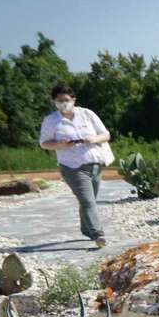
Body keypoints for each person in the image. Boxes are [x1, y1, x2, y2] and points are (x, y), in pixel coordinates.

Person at [39, 83, 111, 248]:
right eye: (59, 101)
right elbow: (44, 143)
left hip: (94, 164)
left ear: (73, 100)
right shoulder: (51, 120)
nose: (63, 103)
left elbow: (106, 134)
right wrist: (60, 144)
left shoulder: (87, 114)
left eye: (66, 99)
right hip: (72, 167)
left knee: (89, 199)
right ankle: (97, 233)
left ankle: (86, 228)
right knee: (88, 201)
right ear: (54, 102)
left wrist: (93, 139)